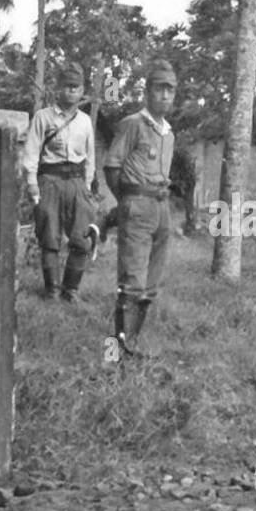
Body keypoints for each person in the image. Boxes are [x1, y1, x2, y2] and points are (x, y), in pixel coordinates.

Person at [103, 59, 178, 356]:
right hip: (137, 202)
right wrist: (127, 201)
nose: (165, 96)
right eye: (159, 89)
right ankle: (115, 351)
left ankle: (133, 343)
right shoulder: (133, 124)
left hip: (161, 206)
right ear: (148, 92)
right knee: (131, 281)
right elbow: (112, 166)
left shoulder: (168, 133)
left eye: (170, 90)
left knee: (150, 282)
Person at [22, 60, 99, 303]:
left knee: (81, 238)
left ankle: (71, 290)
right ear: (58, 88)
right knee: (49, 236)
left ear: (82, 90)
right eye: (66, 86)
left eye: (75, 87)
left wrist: (86, 187)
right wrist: (32, 183)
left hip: (76, 182)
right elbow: (32, 152)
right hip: (50, 180)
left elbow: (90, 158)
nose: (71, 91)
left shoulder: (85, 121)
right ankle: (52, 290)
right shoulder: (43, 117)